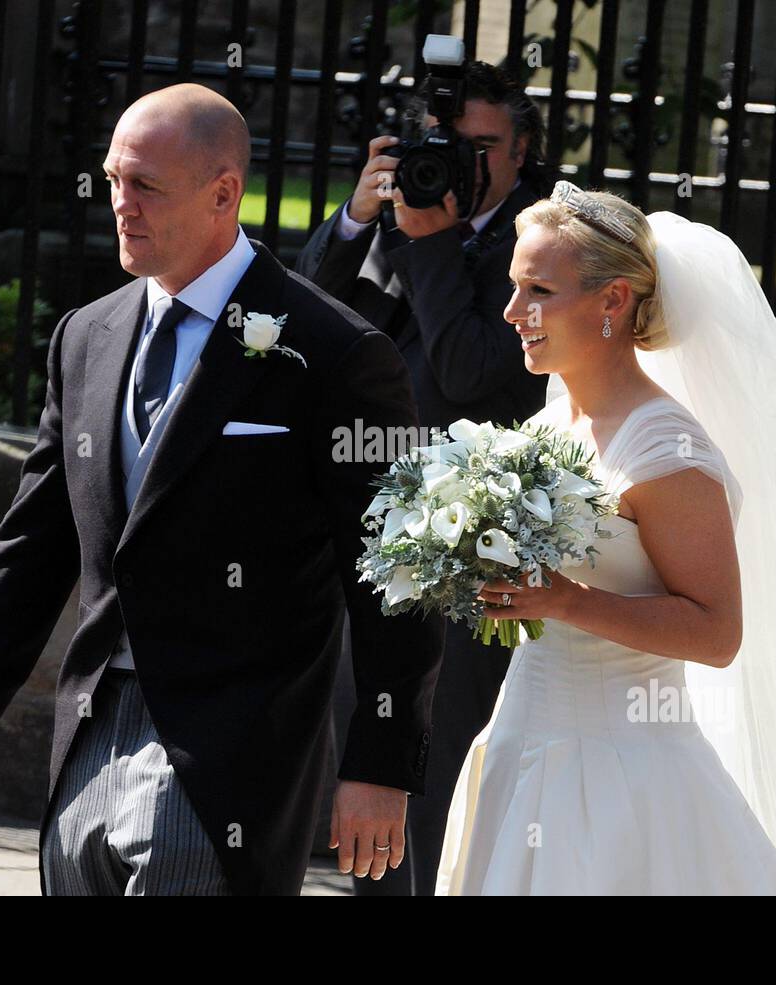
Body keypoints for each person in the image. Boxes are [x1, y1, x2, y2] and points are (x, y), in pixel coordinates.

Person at [0, 82, 443, 895]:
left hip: (232, 756)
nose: (120, 203)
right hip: (85, 743)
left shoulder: (339, 352)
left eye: (145, 185)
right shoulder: (84, 335)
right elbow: (33, 543)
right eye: (114, 179)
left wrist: (381, 762)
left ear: (224, 192)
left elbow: (396, 576)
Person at [435, 181, 776, 895]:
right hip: (521, 743)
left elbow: (717, 631)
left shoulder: (667, 449)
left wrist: (566, 601)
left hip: (620, 776)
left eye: (538, 289)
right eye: (513, 286)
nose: (512, 313)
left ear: (612, 301)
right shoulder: (549, 423)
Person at [295, 61, 550, 896]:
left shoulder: (544, 238)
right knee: (368, 753)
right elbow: (293, 323)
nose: (465, 166)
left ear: (521, 153)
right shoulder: (400, 209)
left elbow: (471, 372)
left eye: (485, 148)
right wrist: (353, 217)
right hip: (373, 524)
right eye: (451, 146)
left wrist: (434, 243)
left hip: (477, 535)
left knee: (445, 755)